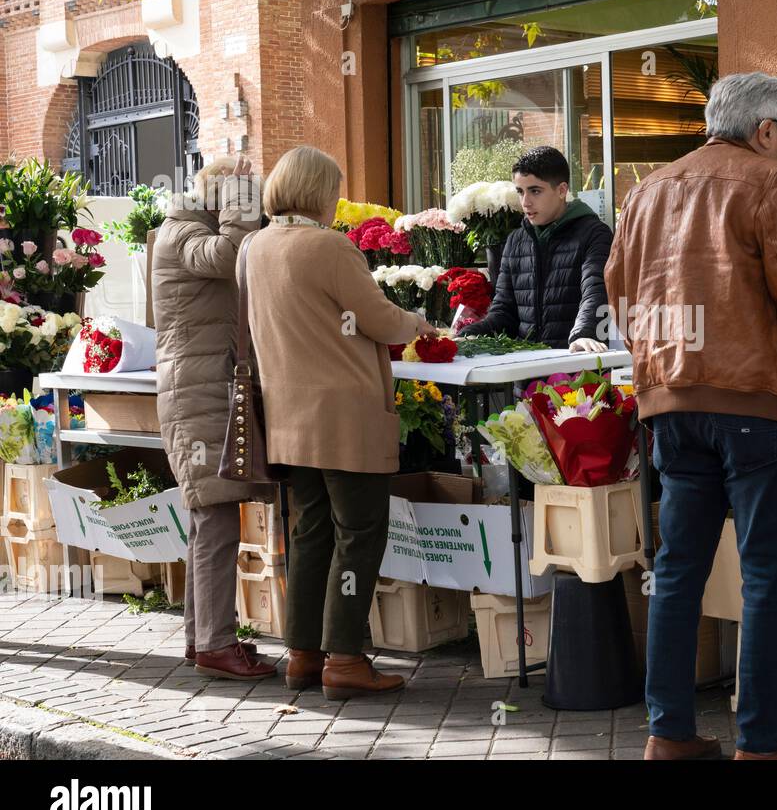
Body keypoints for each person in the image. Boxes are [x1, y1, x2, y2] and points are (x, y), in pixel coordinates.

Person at [606, 72, 777, 760]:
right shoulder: (771, 184)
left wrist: (659, 366)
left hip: (673, 403)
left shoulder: (648, 189)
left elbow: (620, 291)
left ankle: (669, 735)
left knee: (678, 570)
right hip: (755, 406)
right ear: (766, 130)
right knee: (768, 572)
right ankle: (761, 744)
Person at [245, 146, 435, 699]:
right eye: (332, 189)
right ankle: (346, 659)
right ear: (316, 192)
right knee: (358, 535)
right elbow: (378, 319)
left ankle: (303, 654)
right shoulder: (328, 246)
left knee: (310, 534)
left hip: (289, 416)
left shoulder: (258, 246)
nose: (335, 200)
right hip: (344, 417)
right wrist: (419, 321)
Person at [153, 156, 277, 680]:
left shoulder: (184, 227)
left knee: (210, 521)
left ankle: (201, 640)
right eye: (241, 194)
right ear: (221, 196)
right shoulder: (183, 231)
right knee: (216, 519)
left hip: (202, 388)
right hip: (195, 393)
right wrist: (243, 196)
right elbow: (228, 257)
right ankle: (216, 644)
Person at [458, 146, 612, 352]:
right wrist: (468, 336)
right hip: (527, 372)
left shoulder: (595, 234)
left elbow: (596, 291)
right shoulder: (515, 241)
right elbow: (504, 311)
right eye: (520, 191)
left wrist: (584, 333)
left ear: (562, 190)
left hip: (578, 367)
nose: (525, 202)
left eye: (535, 191)